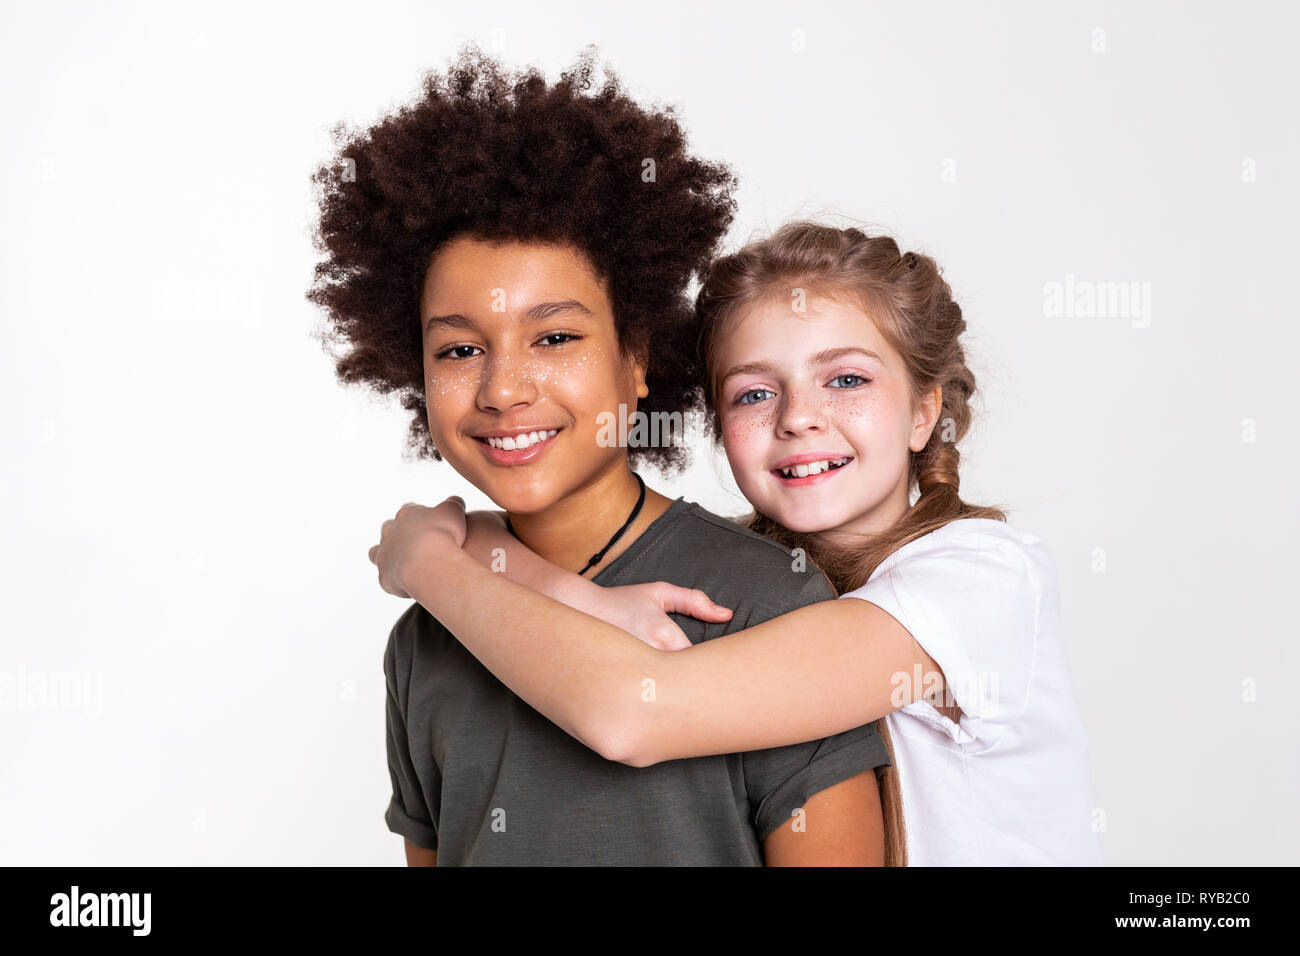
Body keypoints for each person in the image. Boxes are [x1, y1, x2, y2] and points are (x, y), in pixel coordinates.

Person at [311, 48, 896, 866]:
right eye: (457, 350)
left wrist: (428, 563)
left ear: (636, 357)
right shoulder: (425, 640)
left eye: (555, 337)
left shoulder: (765, 605)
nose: (503, 389)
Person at [371, 221, 1105, 866]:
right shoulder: (752, 572)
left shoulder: (981, 578)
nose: (799, 419)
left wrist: (429, 561)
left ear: (924, 412)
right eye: (754, 393)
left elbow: (631, 712)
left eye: (845, 378)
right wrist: (552, 582)